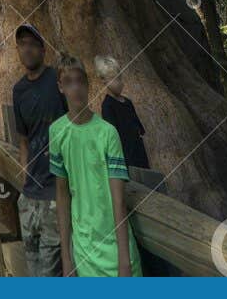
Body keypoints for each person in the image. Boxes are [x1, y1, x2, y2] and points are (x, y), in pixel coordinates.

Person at [50, 55, 142, 279]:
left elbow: (118, 201)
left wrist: (124, 262)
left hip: (116, 248)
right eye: (68, 82)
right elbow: (62, 195)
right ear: (60, 87)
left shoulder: (107, 133)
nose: (76, 88)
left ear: (88, 84)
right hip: (84, 250)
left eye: (80, 81)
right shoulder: (56, 132)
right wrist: (66, 257)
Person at [11, 23, 65, 276]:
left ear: (43, 50)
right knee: (33, 266)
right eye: (22, 44)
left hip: (56, 193)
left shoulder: (58, 80)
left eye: (33, 44)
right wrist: (25, 181)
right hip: (30, 196)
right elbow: (23, 139)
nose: (27, 49)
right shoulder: (19, 90)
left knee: (51, 269)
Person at [95, 55, 151, 169]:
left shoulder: (128, 102)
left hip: (139, 153)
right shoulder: (108, 106)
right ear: (104, 81)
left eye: (120, 78)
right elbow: (112, 137)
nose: (119, 83)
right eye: (115, 79)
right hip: (126, 157)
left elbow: (139, 129)